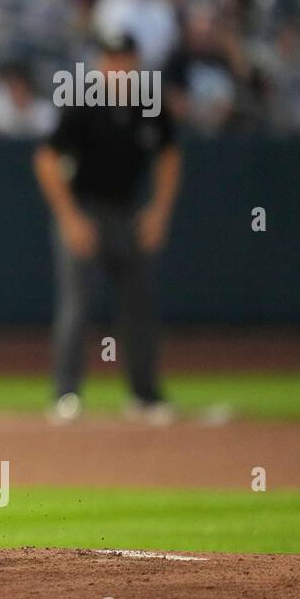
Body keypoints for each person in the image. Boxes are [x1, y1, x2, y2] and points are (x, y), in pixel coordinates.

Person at [33, 33, 182, 426]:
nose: (119, 70)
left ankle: (144, 395)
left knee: (139, 307)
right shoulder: (82, 103)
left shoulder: (149, 103)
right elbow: (47, 160)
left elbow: (169, 155)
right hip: (85, 210)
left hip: (127, 213)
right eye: (112, 61)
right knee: (76, 307)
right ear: (101, 64)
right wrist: (69, 218)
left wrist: (159, 212)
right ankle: (66, 395)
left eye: (125, 61)